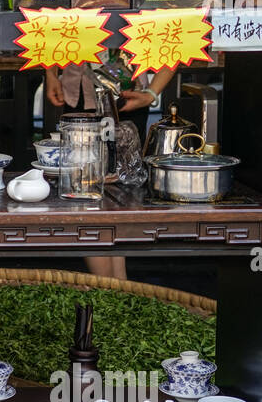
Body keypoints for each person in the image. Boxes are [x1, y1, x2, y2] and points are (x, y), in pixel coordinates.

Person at [43, 60, 177, 280]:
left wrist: (152, 93)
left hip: (128, 98)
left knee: (121, 190)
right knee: (85, 189)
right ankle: (112, 285)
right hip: (80, 95)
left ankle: (112, 285)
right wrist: (50, 72)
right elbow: (50, 30)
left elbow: (178, 40)